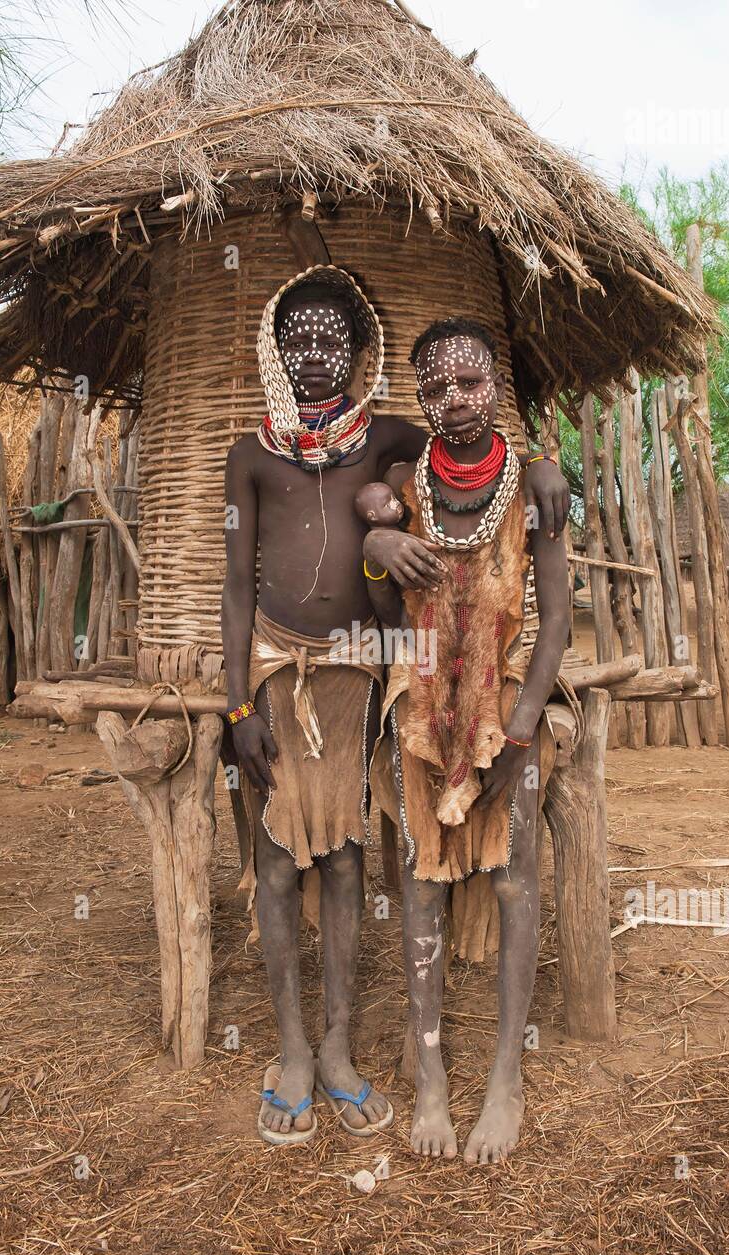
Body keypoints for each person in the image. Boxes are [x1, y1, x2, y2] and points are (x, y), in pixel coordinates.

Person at [222, 267, 570, 1145]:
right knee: (286, 862)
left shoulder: (396, 441)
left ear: (360, 354)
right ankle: (304, 1053)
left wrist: (552, 462)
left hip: (394, 676)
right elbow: (241, 589)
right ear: (275, 348)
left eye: (329, 339)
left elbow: (485, 466)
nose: (311, 354)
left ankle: (381, 1056)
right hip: (308, 672)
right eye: (293, 338)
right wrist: (234, 707)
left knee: (355, 859)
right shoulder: (257, 453)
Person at [363, 317, 573, 1165]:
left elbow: (556, 620)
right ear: (420, 399)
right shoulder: (400, 490)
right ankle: (432, 1082)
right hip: (422, 710)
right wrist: (377, 547)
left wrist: (519, 735)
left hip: (508, 708)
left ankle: (505, 1082)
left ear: (497, 388)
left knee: (517, 883)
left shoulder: (538, 491)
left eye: (472, 382)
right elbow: (384, 622)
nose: (455, 399)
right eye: (438, 387)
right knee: (421, 886)